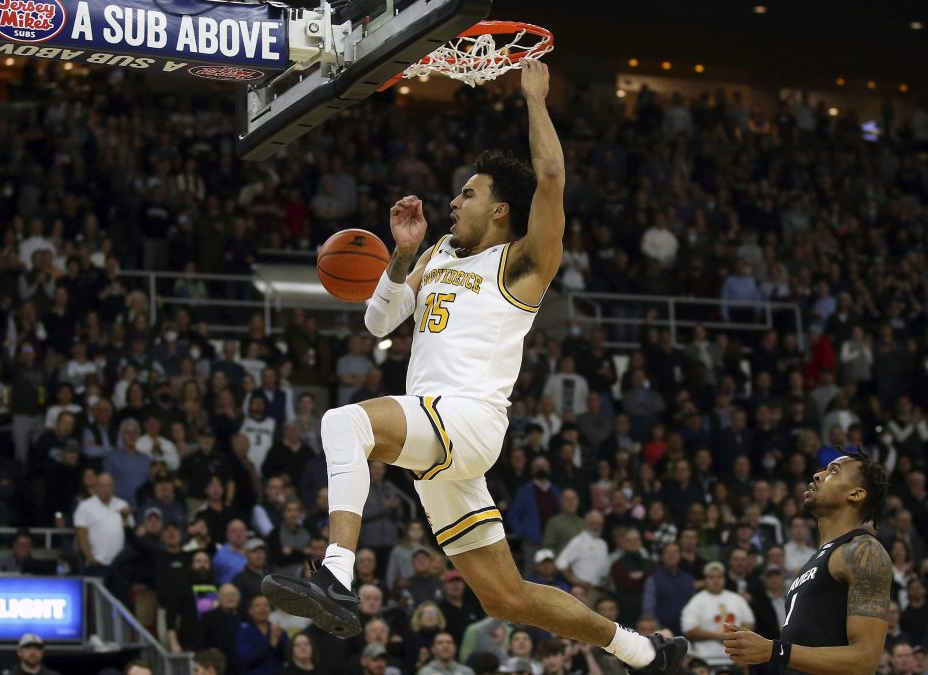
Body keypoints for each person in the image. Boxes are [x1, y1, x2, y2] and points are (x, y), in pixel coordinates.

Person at [261, 61, 685, 674]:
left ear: (501, 210)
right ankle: (642, 651)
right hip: (438, 433)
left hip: (466, 417)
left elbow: (551, 175)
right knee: (506, 598)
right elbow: (379, 322)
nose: (453, 201)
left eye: (468, 193)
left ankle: (336, 575)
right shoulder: (436, 252)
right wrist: (402, 255)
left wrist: (535, 98)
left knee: (343, 423)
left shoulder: (522, 262)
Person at [722, 449, 892, 675]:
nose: (818, 475)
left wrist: (774, 650)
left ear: (855, 494)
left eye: (833, 471)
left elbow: (865, 660)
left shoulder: (863, 551)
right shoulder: (817, 559)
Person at [73, 472, 132, 576]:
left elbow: (130, 533)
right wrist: (90, 559)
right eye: (102, 486)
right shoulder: (85, 506)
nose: (106, 489)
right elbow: (81, 534)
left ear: (113, 487)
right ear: (96, 487)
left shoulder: (123, 505)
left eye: (109, 486)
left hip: (120, 564)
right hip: (97, 563)